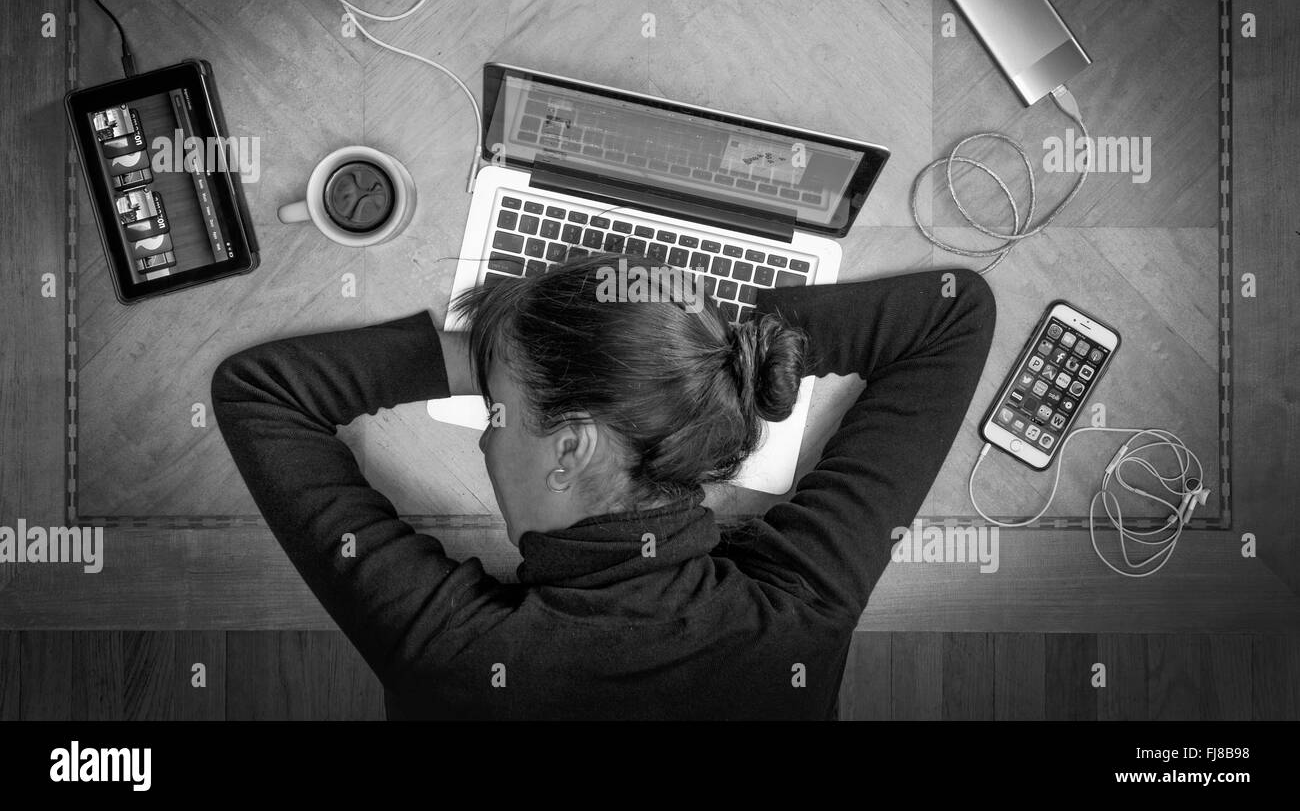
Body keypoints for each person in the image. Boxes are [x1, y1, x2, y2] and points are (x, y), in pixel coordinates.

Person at [211, 253, 995, 719]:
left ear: (571, 449)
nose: (487, 434)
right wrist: (709, 352)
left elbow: (261, 393)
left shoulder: (451, 655)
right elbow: (952, 316)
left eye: (495, 412)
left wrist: (477, 357)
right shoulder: (799, 615)